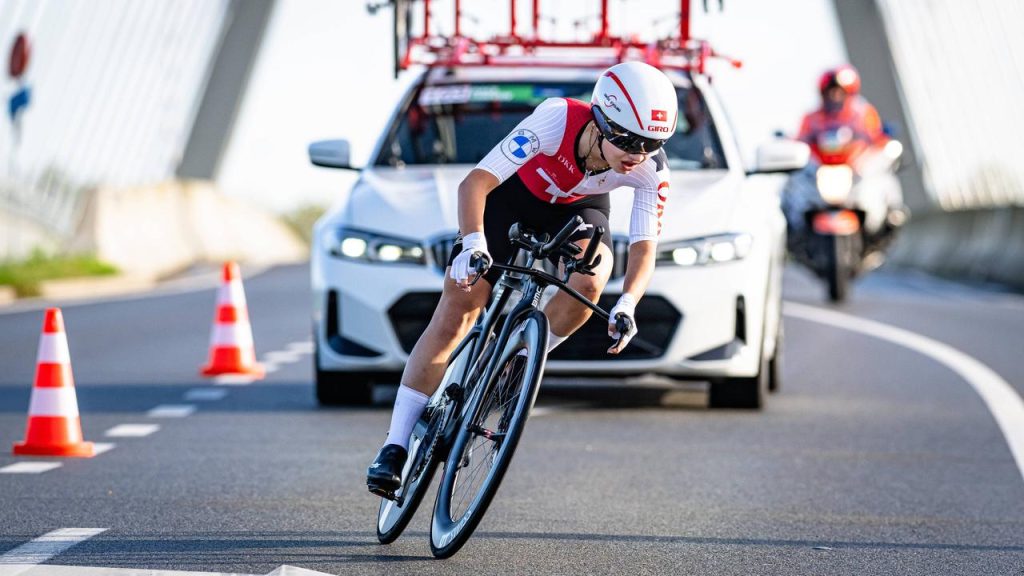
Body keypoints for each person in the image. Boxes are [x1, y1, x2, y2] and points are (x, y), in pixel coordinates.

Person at [366, 61, 678, 496]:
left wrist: (627, 303)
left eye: (652, 144)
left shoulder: (649, 167)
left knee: (592, 278)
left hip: (574, 211)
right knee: (461, 306)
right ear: (601, 121)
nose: (637, 155)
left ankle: (520, 358)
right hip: (509, 201)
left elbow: (645, 245)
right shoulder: (556, 119)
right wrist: (474, 243)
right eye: (627, 140)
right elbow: (474, 184)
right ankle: (395, 444)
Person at [797, 65, 887, 164]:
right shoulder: (812, 119)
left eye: (840, 93)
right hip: (820, 170)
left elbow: (876, 138)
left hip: (857, 169)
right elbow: (801, 141)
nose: (835, 97)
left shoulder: (863, 113)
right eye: (830, 93)